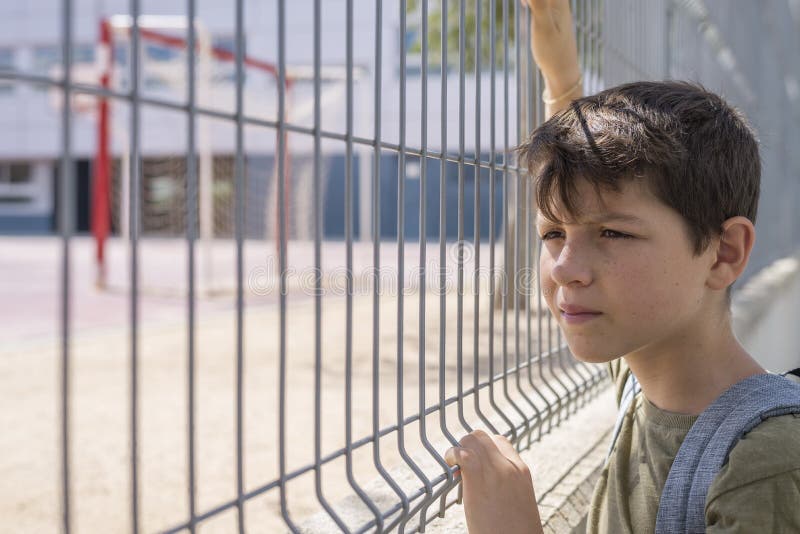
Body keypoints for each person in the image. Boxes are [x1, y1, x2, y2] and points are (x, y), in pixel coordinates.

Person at [443, 1, 800, 533]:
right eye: (553, 234)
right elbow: (582, 188)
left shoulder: (766, 464)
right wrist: (561, 77)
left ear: (723, 252)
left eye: (612, 234)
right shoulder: (645, 369)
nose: (565, 269)